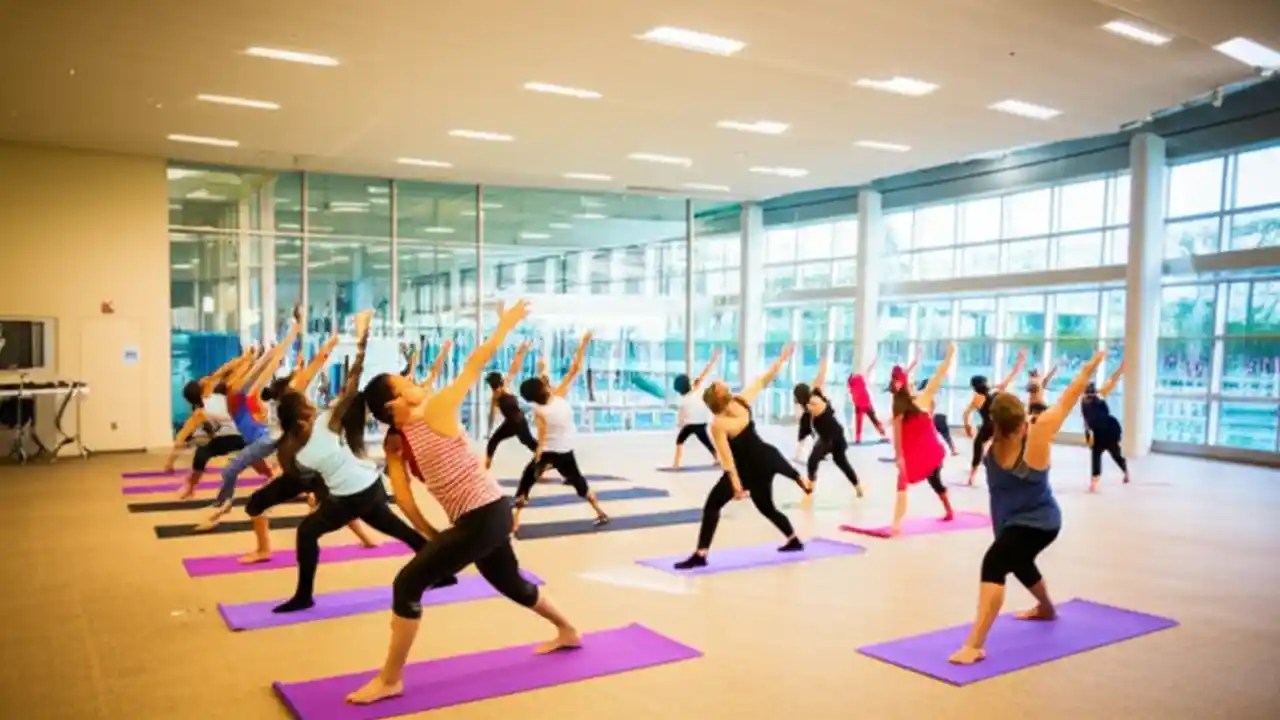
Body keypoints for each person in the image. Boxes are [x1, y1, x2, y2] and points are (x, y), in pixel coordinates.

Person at [345, 299, 581, 706]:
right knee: (510, 582)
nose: (414, 381)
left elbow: (474, 365)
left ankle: (390, 679)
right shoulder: (402, 437)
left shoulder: (428, 415)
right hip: (486, 516)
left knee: (406, 584)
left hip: (484, 514)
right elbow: (403, 498)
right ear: (392, 404)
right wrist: (434, 533)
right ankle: (568, 631)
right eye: (404, 382)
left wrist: (504, 327)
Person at [268, 310, 455, 612]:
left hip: (350, 496)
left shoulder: (291, 448)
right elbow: (353, 380)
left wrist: (314, 492)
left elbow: (306, 476)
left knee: (307, 533)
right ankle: (444, 572)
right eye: (306, 403)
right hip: (368, 485)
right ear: (303, 413)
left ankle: (304, 596)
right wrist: (362, 338)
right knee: (401, 531)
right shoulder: (328, 420)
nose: (311, 404)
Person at [948, 349, 1106, 666]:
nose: (1026, 425)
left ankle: (975, 644)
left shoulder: (1034, 434)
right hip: (1012, 525)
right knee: (1019, 562)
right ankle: (1046, 608)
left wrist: (1087, 369)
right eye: (1021, 422)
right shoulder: (994, 442)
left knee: (995, 562)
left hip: (1040, 522)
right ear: (1010, 425)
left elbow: (1068, 398)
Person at [238, 328, 378, 564]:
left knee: (258, 505)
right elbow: (316, 363)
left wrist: (322, 346)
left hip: (301, 468)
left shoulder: (286, 404)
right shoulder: (296, 396)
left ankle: (264, 549)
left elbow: (312, 365)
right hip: (308, 468)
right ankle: (366, 537)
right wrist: (328, 345)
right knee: (334, 499)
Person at [674, 344, 810, 570]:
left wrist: (736, 486)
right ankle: (793, 538)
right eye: (719, 384)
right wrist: (781, 360)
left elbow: (727, 460)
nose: (722, 382)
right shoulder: (740, 403)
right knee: (767, 508)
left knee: (712, 506)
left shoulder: (719, 423)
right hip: (764, 461)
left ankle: (701, 554)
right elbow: (763, 381)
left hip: (746, 469)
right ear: (719, 395)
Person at [196, 319, 301, 527]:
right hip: (261, 439)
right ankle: (225, 502)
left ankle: (223, 503)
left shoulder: (235, 394)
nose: (238, 378)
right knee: (238, 470)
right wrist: (268, 352)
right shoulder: (235, 394)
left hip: (263, 439)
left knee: (230, 470)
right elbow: (255, 370)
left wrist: (280, 345)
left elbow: (259, 370)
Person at [512, 332, 609, 531]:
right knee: (578, 481)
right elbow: (574, 369)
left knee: (527, 479)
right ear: (545, 389)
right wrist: (583, 344)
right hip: (565, 451)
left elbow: (542, 434)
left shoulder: (538, 409)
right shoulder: (559, 396)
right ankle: (600, 511)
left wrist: (539, 454)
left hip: (548, 451)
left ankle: (515, 520)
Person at [163, 351, 270, 488]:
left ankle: (269, 474)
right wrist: (170, 461)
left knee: (246, 451)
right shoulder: (202, 409)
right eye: (201, 382)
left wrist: (245, 358)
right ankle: (191, 483)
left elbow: (225, 370)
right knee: (208, 452)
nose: (204, 379)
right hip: (234, 433)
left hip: (239, 430)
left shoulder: (212, 393)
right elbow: (181, 437)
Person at [888, 344, 957, 535]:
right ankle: (896, 522)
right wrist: (898, 456)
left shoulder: (923, 399)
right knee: (902, 484)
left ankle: (949, 510)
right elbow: (896, 431)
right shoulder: (899, 405)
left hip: (929, 450)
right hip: (911, 452)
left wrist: (950, 357)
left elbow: (938, 376)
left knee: (935, 482)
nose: (909, 386)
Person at [804, 349, 864, 498]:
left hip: (830, 438)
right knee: (838, 461)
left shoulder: (812, 403)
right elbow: (820, 378)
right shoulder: (817, 395)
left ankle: (810, 489)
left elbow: (819, 379)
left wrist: (824, 364)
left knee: (816, 461)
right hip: (833, 434)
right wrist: (823, 364)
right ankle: (857, 486)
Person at [962, 350, 1027, 486]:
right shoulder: (993, 393)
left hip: (987, 427)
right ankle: (1009, 471)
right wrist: (1020, 361)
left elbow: (966, 413)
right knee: (1001, 449)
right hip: (998, 425)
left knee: (978, 447)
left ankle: (972, 476)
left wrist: (967, 426)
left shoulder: (977, 397)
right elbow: (1011, 376)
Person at [484, 340, 534, 470]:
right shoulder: (496, 395)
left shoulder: (503, 387)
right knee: (493, 441)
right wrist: (489, 430)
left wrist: (522, 351)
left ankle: (546, 459)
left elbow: (514, 367)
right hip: (513, 423)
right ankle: (486, 465)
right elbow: (491, 415)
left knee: (529, 443)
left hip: (519, 422)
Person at [1082, 359, 1128, 493]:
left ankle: (1125, 471)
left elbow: (1112, 381)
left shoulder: (1100, 395)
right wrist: (1087, 434)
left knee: (1115, 454)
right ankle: (1094, 480)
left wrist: (1120, 369)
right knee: (1095, 456)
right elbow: (1085, 420)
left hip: (1109, 430)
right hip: (1097, 432)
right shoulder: (1083, 401)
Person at [671, 348, 720, 468]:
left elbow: (681, 415)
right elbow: (704, 373)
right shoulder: (696, 388)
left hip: (690, 424)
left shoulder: (682, 400)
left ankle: (677, 463)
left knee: (679, 441)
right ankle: (717, 458)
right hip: (701, 423)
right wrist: (713, 360)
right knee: (707, 443)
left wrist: (679, 424)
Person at [792, 351, 830, 461]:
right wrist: (823, 368)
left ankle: (812, 454)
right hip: (809, 429)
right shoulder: (805, 405)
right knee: (808, 440)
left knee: (808, 439)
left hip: (808, 428)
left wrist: (822, 369)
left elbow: (818, 381)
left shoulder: (801, 405)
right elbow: (819, 381)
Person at [847, 355, 888, 444]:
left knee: (859, 422)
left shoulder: (851, 384)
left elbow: (851, 394)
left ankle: (858, 438)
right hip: (866, 404)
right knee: (875, 420)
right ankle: (884, 435)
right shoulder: (860, 378)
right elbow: (868, 372)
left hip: (859, 405)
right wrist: (873, 363)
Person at [918, 378, 958, 456]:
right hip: (941, 415)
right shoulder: (939, 392)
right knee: (945, 433)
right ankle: (952, 449)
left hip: (930, 416)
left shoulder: (922, 394)